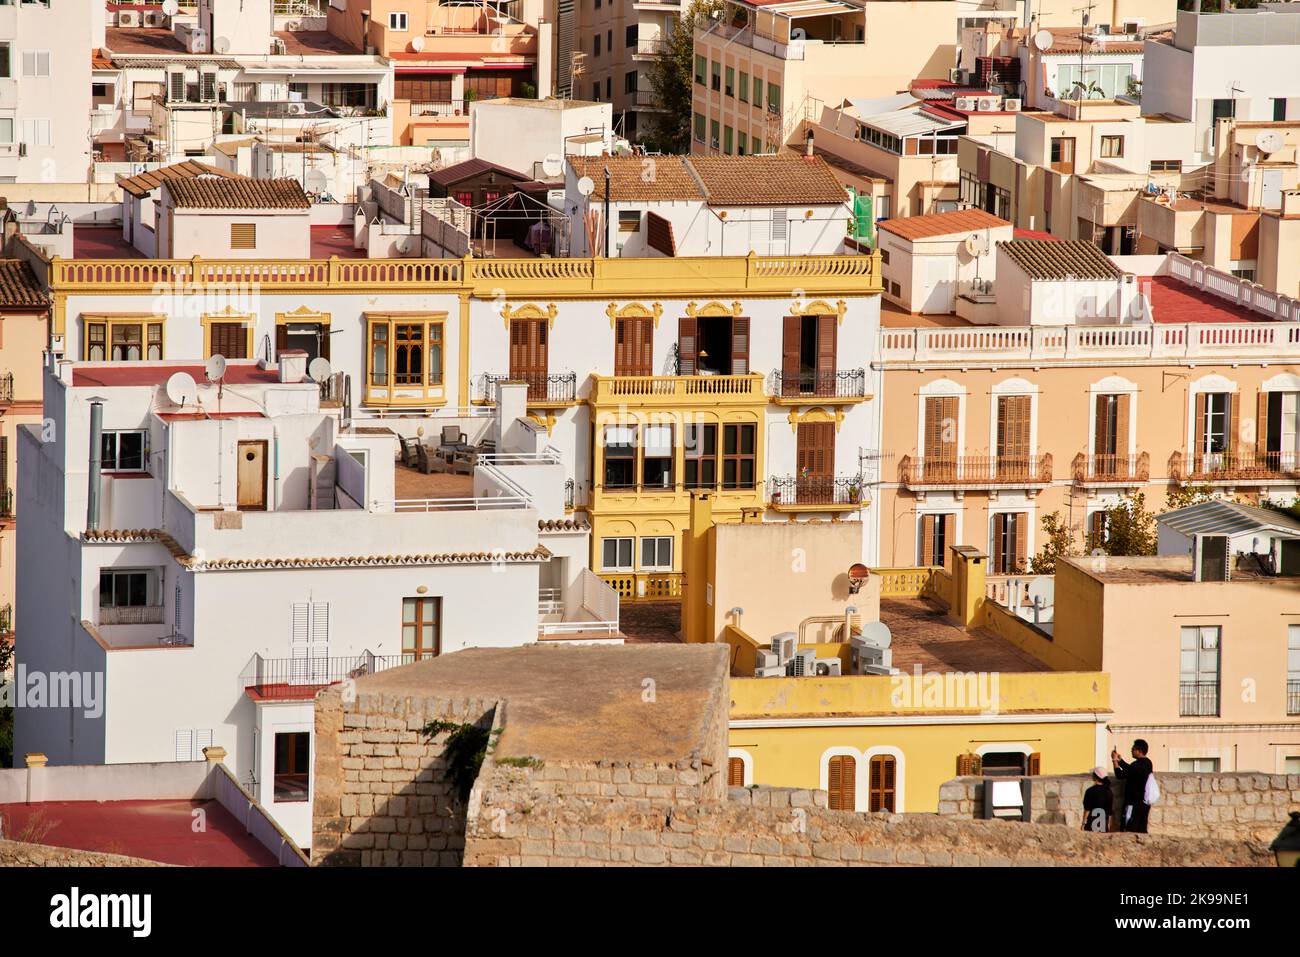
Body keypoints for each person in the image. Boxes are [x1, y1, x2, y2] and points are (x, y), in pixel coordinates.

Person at [1112, 739, 1153, 833]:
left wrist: (1114, 761)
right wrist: (1120, 761)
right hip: (1144, 803)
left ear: (1139, 751)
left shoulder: (1136, 765)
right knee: (1141, 829)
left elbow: (1120, 775)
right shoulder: (1148, 763)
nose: (1131, 750)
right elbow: (1131, 770)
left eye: (1133, 749)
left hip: (1133, 803)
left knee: (1129, 828)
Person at [1082, 766, 1112, 832]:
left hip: (1091, 825)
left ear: (1095, 777)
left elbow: (1087, 809)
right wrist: (1109, 824)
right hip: (1103, 825)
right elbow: (1109, 811)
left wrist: (1083, 823)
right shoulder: (1108, 791)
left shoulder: (1090, 791)